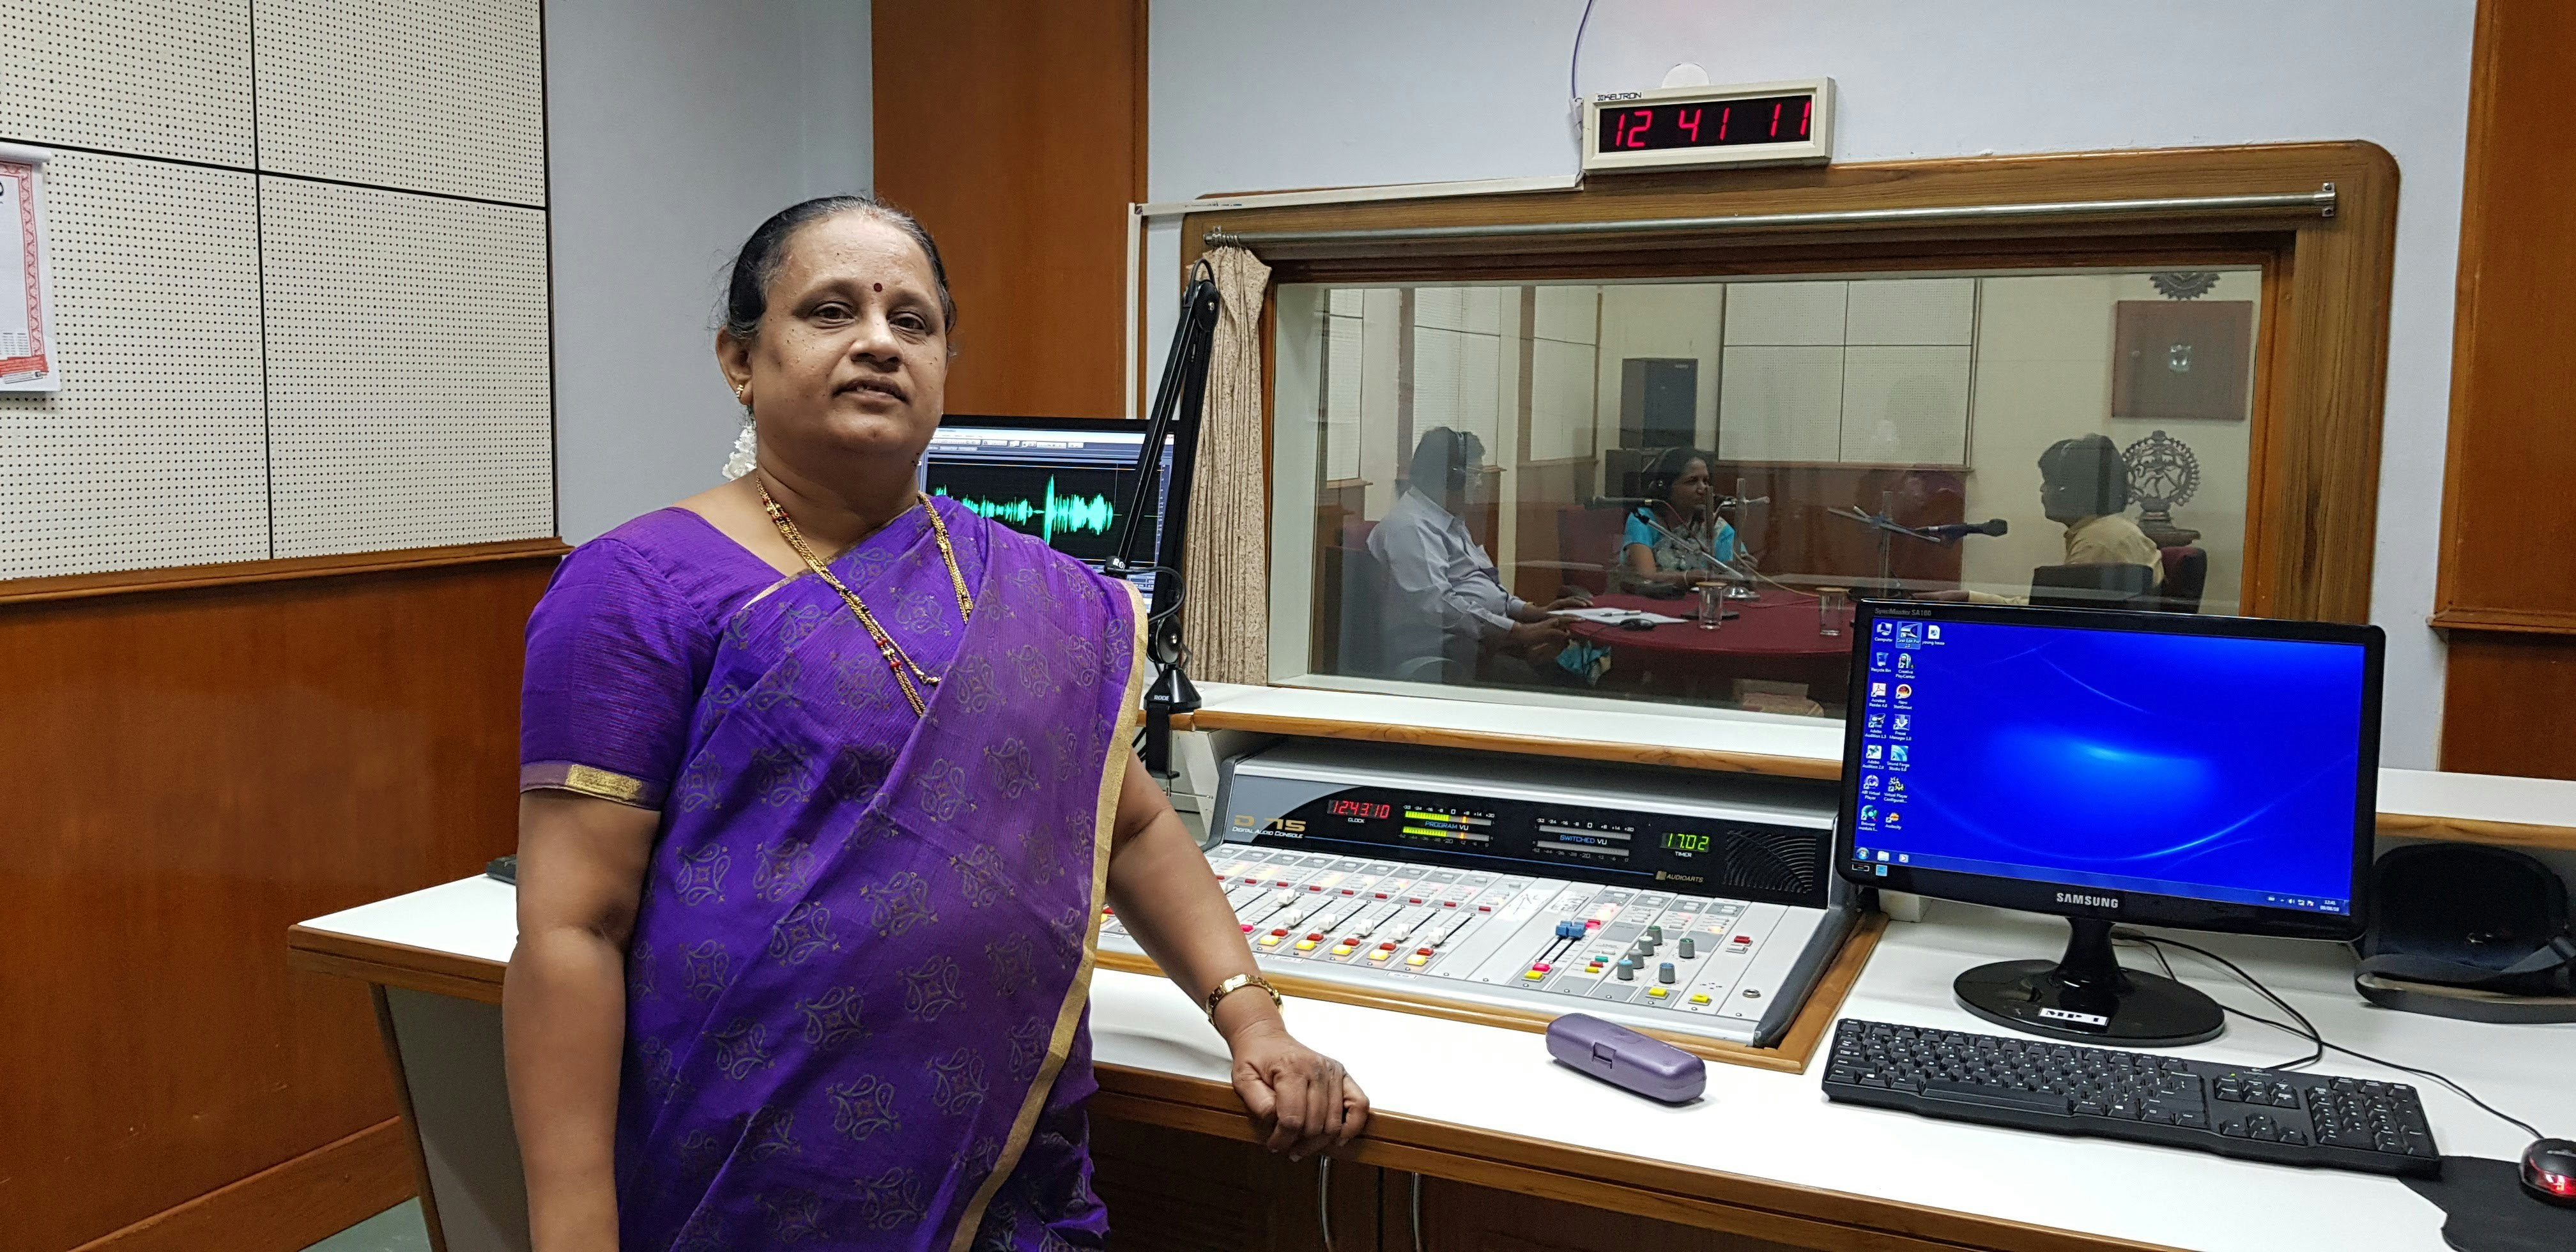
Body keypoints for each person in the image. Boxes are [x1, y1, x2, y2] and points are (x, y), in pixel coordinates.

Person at [505, 195, 1366, 1252]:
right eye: (829, 310)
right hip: (748, 1179)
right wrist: (573, 1227)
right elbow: (569, 930)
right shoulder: (635, 589)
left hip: (1010, 1170)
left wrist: (1251, 1017)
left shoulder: (1043, 596)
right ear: (740, 357)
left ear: (946, 358)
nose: (876, 340)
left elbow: (1133, 828)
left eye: (910, 320)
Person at [1366, 427, 1585, 681]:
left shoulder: (1447, 520)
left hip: (1481, 643)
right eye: (1474, 474)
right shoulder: (1410, 528)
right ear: (1449, 477)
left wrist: (1533, 613)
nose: (1480, 482)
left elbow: (1480, 584)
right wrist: (1520, 632)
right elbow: (1440, 607)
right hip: (1444, 657)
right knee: (1553, 689)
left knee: (1568, 675)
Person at [1944, 434, 2161, 604]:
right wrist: (1970, 598)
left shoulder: (2099, 540)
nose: (2042, 489)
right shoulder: (2105, 530)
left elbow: (2055, 614)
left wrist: (1971, 599)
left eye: (2048, 482)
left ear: (2071, 490)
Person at [1616, 447, 1741, 593]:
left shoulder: (1714, 524)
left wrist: (1740, 568)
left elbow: (1731, 570)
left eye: (1706, 481)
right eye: (1692, 481)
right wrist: (1688, 578)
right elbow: (1645, 577)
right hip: (1649, 604)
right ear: (1666, 487)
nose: (1703, 489)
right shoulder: (1643, 520)